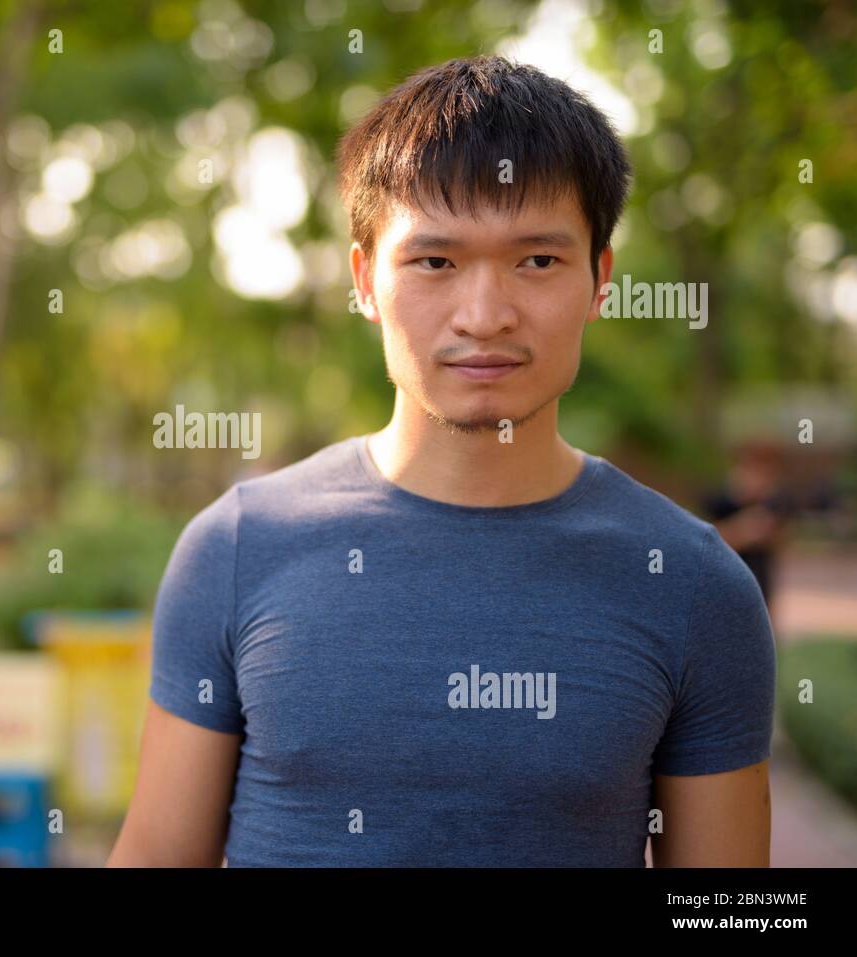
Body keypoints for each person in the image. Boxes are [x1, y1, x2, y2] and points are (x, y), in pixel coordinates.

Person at [108, 56, 774, 867]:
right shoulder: (238, 548)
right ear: (364, 279)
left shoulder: (694, 585)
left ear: (600, 280)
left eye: (537, 260)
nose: (485, 315)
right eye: (435, 261)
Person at [703, 441, 793, 620]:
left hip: (759, 577)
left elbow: (784, 540)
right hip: (725, 577)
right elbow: (703, 540)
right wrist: (740, 531)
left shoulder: (775, 501)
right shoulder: (721, 499)